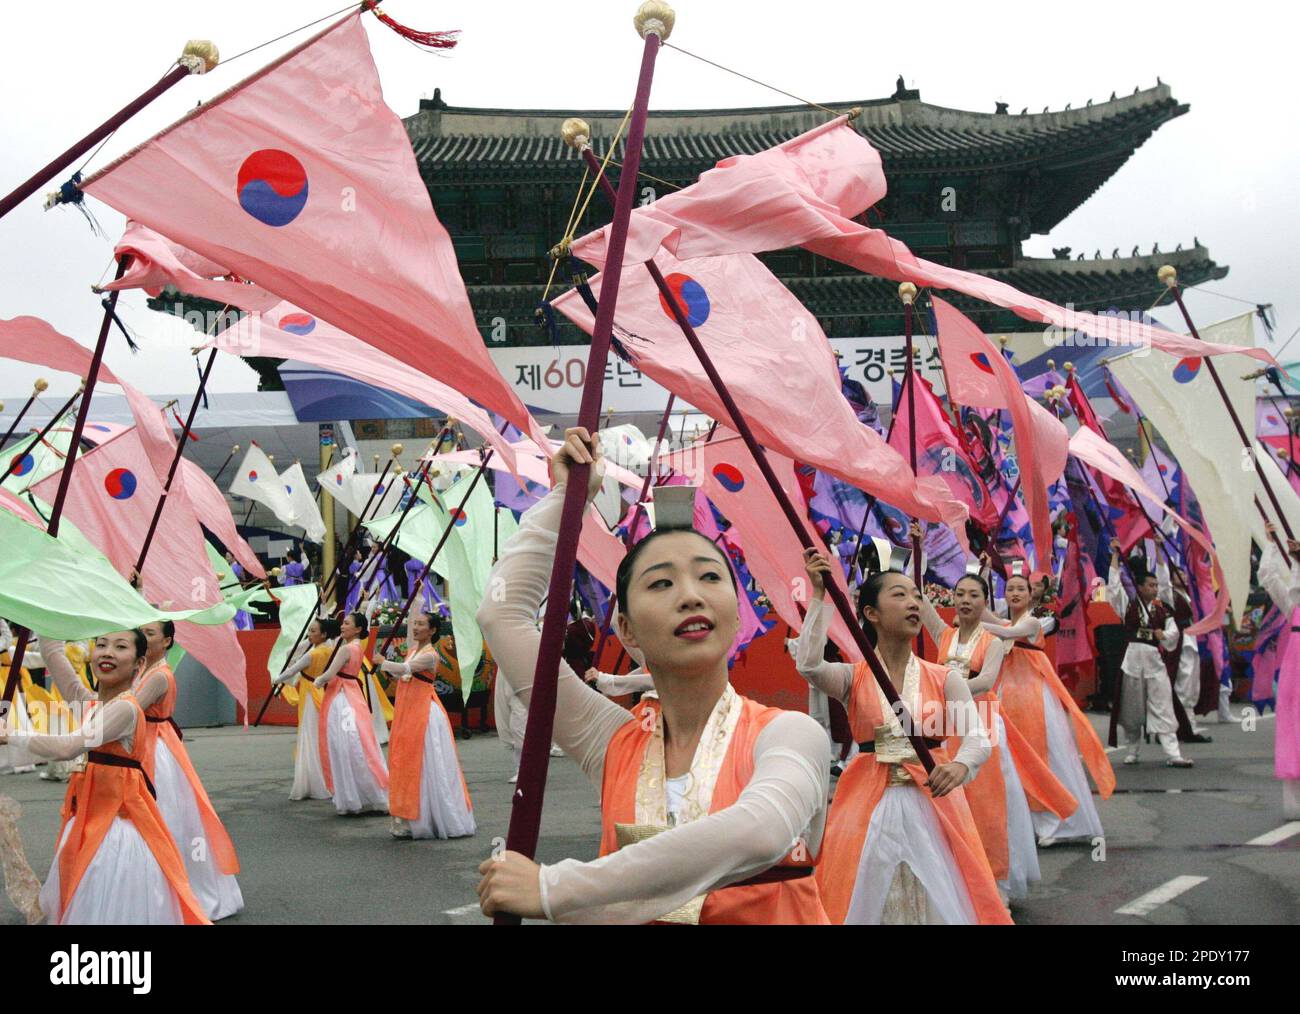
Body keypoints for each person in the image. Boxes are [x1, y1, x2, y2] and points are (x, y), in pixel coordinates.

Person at [476, 428, 831, 924]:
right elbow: (502, 616)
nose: (690, 595)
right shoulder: (612, 742)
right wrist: (566, 499)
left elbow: (762, 831)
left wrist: (554, 887)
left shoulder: (788, 735)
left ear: (735, 614)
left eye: (710, 576)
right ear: (627, 629)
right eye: (661, 583)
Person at [796, 549, 1008, 925]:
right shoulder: (852, 677)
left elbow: (977, 737)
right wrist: (818, 594)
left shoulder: (945, 678)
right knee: (862, 895)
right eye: (899, 595)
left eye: (915, 595)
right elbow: (809, 665)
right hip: (866, 804)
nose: (913, 603)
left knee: (937, 897)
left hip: (932, 805)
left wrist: (960, 765)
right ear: (871, 613)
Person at [1, 629, 209, 924]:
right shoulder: (95, 705)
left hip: (115, 833)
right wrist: (48, 625)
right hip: (87, 820)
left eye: (120, 646)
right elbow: (54, 657)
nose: (107, 652)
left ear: (138, 664)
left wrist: (12, 735)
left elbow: (68, 747)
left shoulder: (125, 709)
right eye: (101, 645)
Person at [39, 623, 245, 921]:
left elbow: (123, 705)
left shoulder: (157, 677)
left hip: (150, 749)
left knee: (154, 821)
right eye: (142, 634)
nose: (145, 639)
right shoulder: (127, 684)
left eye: (149, 635)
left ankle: (160, 886)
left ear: (167, 640)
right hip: (130, 746)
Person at [917, 565, 1075, 903]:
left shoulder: (994, 639)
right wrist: (917, 553)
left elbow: (987, 681)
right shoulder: (944, 634)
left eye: (974, 595)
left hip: (982, 719)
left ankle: (997, 883)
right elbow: (920, 598)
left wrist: (945, 690)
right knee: (951, 800)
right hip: (948, 723)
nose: (965, 600)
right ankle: (960, 882)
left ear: (985, 601)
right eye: (959, 594)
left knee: (989, 802)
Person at [982, 568, 1114, 844]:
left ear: (1031, 596)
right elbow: (988, 615)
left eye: (1021, 589)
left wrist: (974, 624)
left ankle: (1059, 824)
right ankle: (1027, 824)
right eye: (1010, 589)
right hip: (1008, 698)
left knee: (1046, 761)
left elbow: (1003, 629)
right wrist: (980, 578)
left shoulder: (1031, 624)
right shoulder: (1007, 623)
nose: (1015, 593)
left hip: (1034, 700)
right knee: (1015, 764)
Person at [379, 610, 475, 840]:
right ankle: (411, 817)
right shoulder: (414, 650)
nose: (416, 627)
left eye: (421, 624)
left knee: (425, 763)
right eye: (416, 623)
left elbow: (406, 669)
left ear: (432, 630)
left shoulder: (431, 655)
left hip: (424, 713)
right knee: (408, 761)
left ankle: (430, 817)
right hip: (410, 710)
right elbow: (404, 676)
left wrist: (384, 663)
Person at [1106, 543, 1192, 768]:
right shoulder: (1128, 605)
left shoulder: (1163, 608)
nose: (1155, 588)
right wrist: (1115, 555)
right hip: (1133, 661)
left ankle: (1173, 753)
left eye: (1156, 585)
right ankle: (1132, 750)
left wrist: (1164, 634)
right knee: (1131, 708)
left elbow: (1173, 629)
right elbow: (1114, 588)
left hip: (1154, 660)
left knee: (1163, 704)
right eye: (1150, 585)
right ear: (1140, 587)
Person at [314, 611, 389, 815]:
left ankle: (352, 795)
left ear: (357, 629)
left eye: (347, 623)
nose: (342, 626)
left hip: (342, 699)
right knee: (358, 741)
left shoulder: (346, 649)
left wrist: (317, 681)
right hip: (353, 695)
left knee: (344, 744)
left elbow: (329, 674)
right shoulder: (357, 647)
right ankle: (368, 793)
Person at [1258, 523, 1300, 818]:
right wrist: (1271, 545)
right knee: (1291, 725)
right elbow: (1270, 578)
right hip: (1294, 667)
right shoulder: (1292, 607)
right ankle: (1294, 801)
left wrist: (1298, 561)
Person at [271, 616, 338, 801]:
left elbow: (291, 670)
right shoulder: (331, 649)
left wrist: (276, 680)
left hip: (310, 695)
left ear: (323, 634)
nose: (309, 634)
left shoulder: (313, 654)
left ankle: (314, 780)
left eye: (313, 631)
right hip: (323, 693)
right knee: (320, 736)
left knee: (309, 735)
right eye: (309, 630)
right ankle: (325, 778)